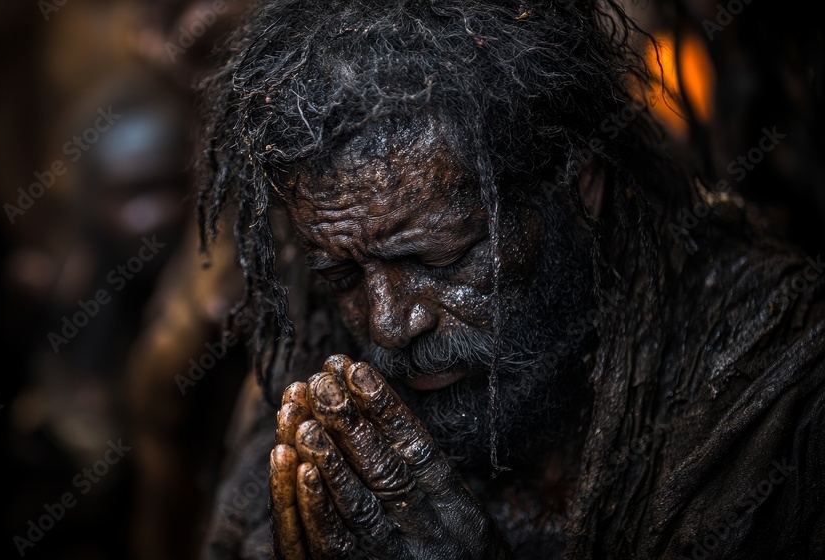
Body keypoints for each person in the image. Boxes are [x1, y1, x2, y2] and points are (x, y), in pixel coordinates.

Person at [194, 0, 825, 558]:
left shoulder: (778, 388)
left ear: (579, 182)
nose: (388, 323)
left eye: (440, 260)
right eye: (341, 274)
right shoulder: (311, 368)